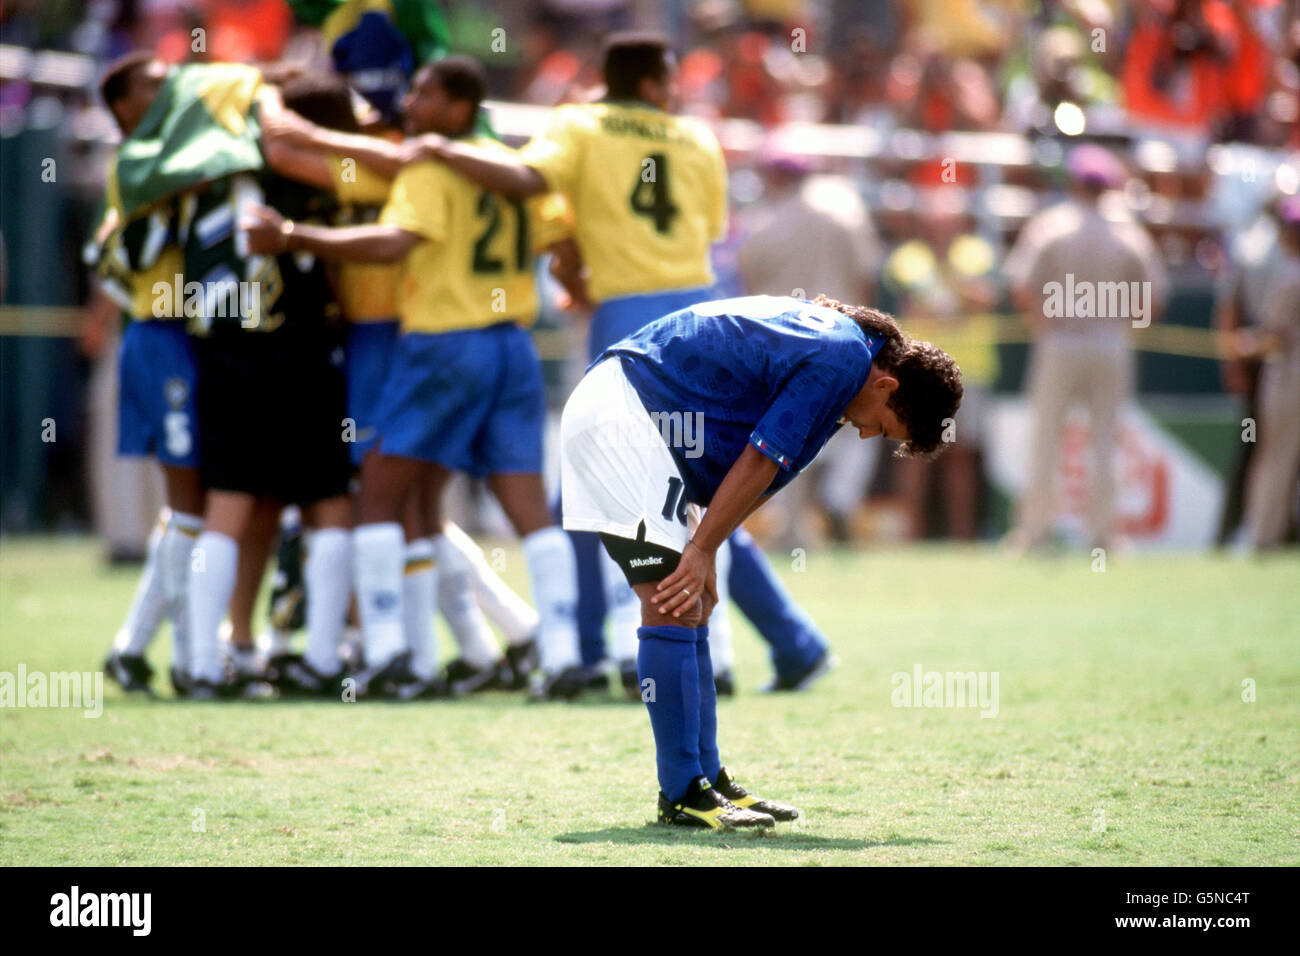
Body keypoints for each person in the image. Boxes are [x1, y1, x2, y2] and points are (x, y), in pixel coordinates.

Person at [410, 31, 838, 696]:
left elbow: (528, 180)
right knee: (697, 495)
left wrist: (443, 151)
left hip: (635, 323)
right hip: (708, 314)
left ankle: (579, 651)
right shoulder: (694, 138)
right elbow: (705, 230)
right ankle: (790, 639)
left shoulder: (579, 125)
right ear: (648, 84)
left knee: (588, 496)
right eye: (669, 79)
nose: (675, 92)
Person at [244, 56, 586, 699]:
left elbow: (394, 242)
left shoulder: (432, 165)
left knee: (379, 497)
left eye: (426, 93)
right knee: (523, 508)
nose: (412, 103)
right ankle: (560, 655)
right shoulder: (510, 167)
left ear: (458, 108)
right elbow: (558, 240)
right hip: (510, 342)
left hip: (441, 341)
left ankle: (392, 653)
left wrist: (291, 236)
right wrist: (576, 286)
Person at [560, 294, 963, 827]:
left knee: (693, 602)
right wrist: (700, 549)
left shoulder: (848, 359)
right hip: (623, 419)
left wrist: (708, 547)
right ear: (887, 386)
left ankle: (706, 779)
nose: (869, 434)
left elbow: (768, 474)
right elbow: (760, 457)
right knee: (671, 602)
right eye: (884, 427)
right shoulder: (842, 359)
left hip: (639, 418)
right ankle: (682, 793)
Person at [1002, 144, 1168, 553]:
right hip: (1110, 343)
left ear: (1074, 182)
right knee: (1107, 440)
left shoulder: (1052, 225)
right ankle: (1104, 536)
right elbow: (1155, 299)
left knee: (1046, 439)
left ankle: (1036, 533)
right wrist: (1127, 327)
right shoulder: (1127, 231)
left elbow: (1021, 286)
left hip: (1060, 342)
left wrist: (1042, 320)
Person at [1240, 196, 1300, 551]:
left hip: (1289, 380)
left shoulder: (1288, 276)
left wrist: (1246, 346)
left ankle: (1264, 536)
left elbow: (1273, 338)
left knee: (1275, 458)